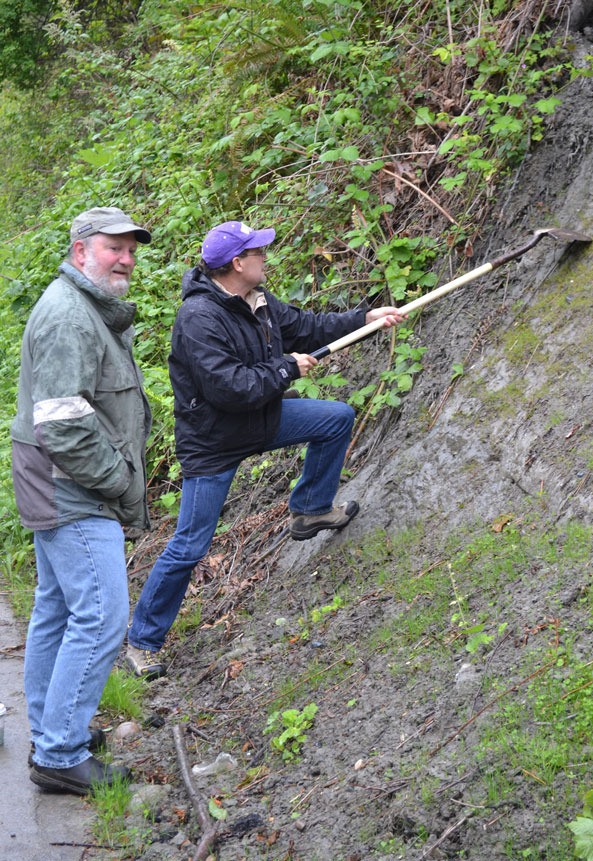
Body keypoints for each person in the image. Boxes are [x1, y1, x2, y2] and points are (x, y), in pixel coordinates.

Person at [125, 220, 404, 679]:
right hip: (214, 443)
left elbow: (307, 326)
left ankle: (311, 510)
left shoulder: (258, 301)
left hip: (261, 420)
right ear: (238, 263)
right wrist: (286, 369)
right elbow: (230, 388)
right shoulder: (198, 318)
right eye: (258, 252)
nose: (265, 257)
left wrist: (365, 319)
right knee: (190, 545)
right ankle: (143, 641)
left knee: (335, 418)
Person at [11, 206, 152, 795]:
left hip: (55, 477)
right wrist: (119, 481)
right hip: (70, 484)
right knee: (100, 616)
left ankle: (52, 731)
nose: (125, 259)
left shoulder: (85, 308)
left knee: (57, 608)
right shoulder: (70, 317)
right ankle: (60, 753)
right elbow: (65, 426)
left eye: (130, 250)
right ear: (80, 252)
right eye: (113, 248)